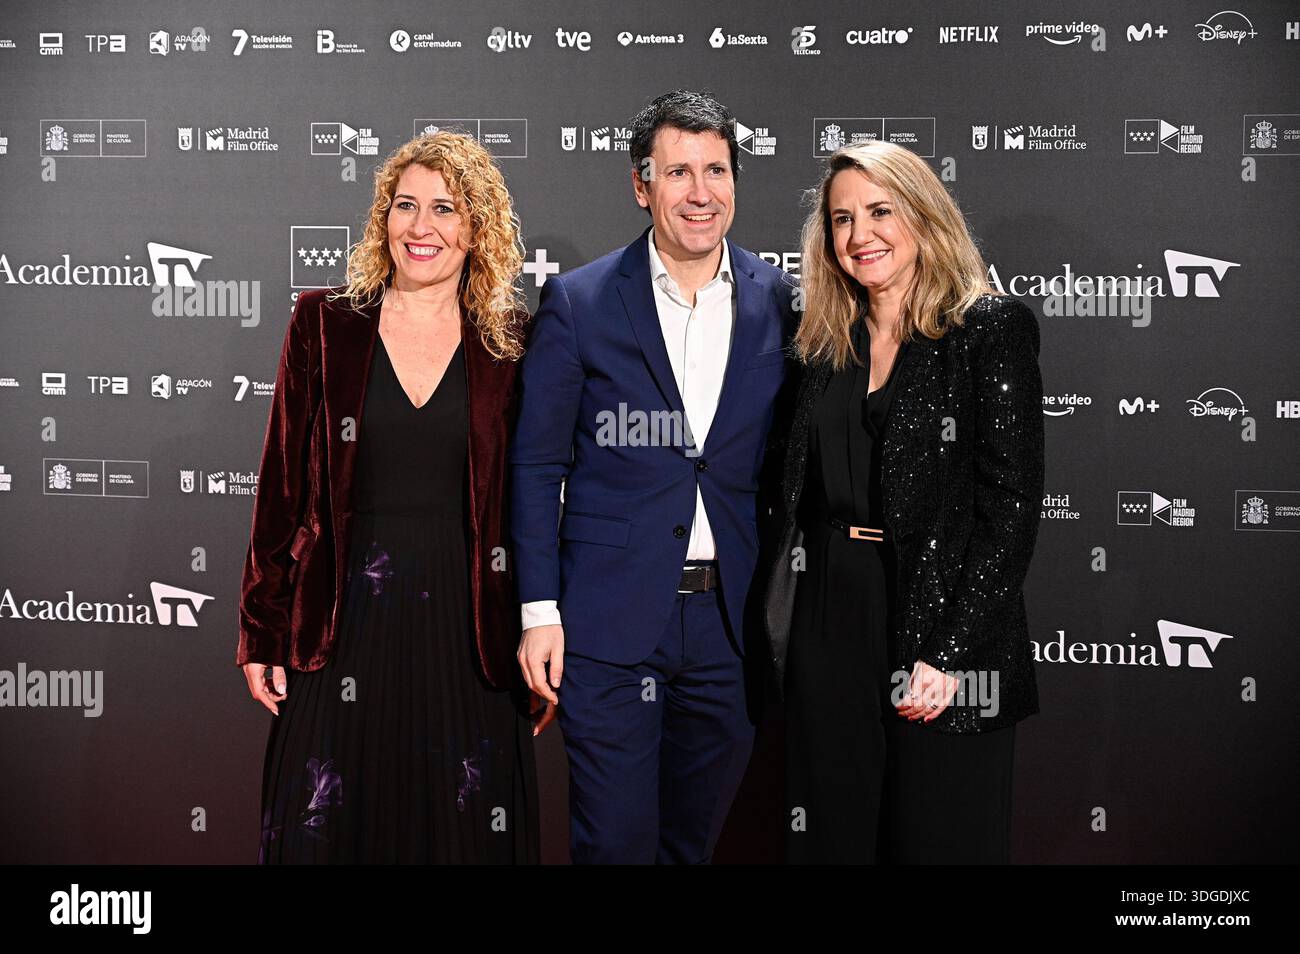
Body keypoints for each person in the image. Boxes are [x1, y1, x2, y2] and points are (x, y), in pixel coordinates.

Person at [236, 131, 541, 864]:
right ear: (384, 218)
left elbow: (533, 501)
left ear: (476, 227)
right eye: (405, 206)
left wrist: (540, 627)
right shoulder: (324, 322)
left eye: (444, 208)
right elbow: (281, 485)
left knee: (461, 835)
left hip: (470, 628)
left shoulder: (512, 343)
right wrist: (263, 629)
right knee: (328, 833)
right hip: (342, 620)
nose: (421, 227)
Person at [510, 90, 798, 863]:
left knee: (692, 846)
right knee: (614, 845)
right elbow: (538, 465)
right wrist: (539, 608)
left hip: (729, 624)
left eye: (716, 170)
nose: (700, 193)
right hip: (607, 623)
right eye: (678, 172)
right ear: (642, 186)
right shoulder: (579, 302)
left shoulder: (785, 302)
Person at [765, 140, 1045, 864]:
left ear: (923, 215)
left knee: (937, 838)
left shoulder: (987, 329)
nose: (860, 236)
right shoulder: (823, 343)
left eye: (880, 211)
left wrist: (950, 653)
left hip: (941, 623)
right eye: (841, 219)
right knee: (828, 837)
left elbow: (1010, 510)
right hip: (830, 616)